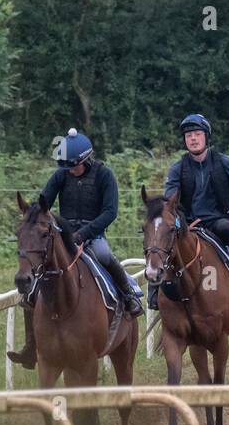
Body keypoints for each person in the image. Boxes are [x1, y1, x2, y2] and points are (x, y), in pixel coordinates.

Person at [8, 128, 143, 368]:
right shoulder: (61, 175)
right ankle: (31, 346)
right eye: (67, 167)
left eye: (74, 166)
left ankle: (129, 297)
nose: (70, 170)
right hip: (63, 236)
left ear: (85, 160)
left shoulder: (104, 176)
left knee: (104, 255)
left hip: (93, 236)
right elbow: (43, 204)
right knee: (31, 289)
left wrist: (85, 233)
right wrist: (32, 216)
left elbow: (110, 212)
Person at [159, 113, 229, 307]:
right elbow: (169, 203)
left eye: (197, 134)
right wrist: (177, 222)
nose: (193, 139)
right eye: (189, 136)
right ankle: (156, 290)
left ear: (206, 136)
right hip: (187, 225)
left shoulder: (225, 163)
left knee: (227, 229)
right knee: (161, 241)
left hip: (218, 222)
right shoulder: (177, 169)